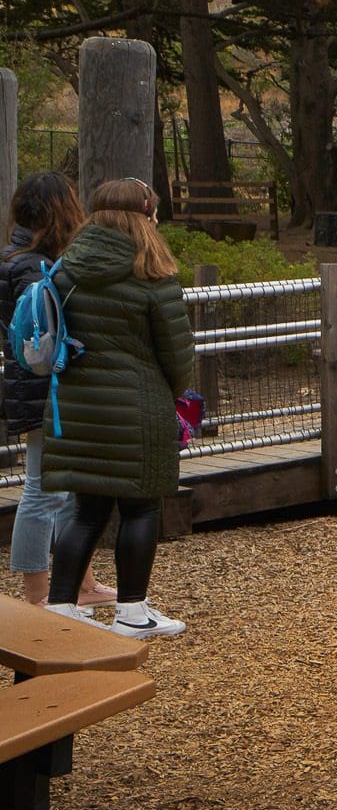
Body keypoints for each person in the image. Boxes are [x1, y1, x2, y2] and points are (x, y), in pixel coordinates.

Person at [43, 177, 196, 640]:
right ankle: (132, 612)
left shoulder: (66, 269)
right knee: (140, 507)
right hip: (138, 405)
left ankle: (60, 607)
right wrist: (173, 391)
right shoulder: (152, 272)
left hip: (76, 406)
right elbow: (178, 354)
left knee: (85, 510)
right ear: (148, 215)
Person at [2, 173, 115, 611]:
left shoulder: (17, 258)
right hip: (45, 389)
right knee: (41, 490)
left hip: (32, 386)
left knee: (66, 488)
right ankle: (36, 593)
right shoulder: (36, 266)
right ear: (60, 210)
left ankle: (80, 582)